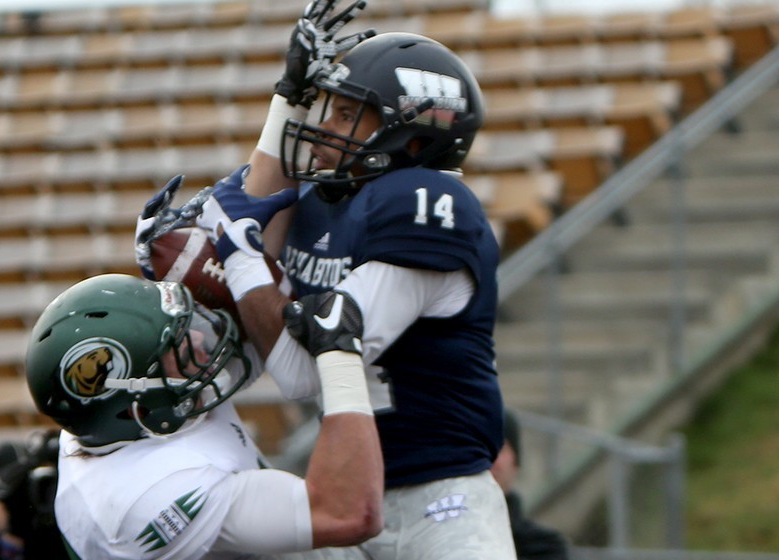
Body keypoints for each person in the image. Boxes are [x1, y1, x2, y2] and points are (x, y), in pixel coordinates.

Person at [138, 2, 516, 557]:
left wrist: (241, 260)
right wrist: (285, 96)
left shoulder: (427, 203)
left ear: (410, 136)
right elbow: (253, 208)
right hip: (348, 497)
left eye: (345, 115)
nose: (320, 130)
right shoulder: (329, 202)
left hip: (443, 502)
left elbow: (303, 373)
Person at [24, 273, 383, 558]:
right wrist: (339, 353)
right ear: (137, 399)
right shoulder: (148, 497)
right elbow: (347, 512)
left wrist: (233, 225)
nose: (199, 339)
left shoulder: (111, 420)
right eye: (176, 349)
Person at [491, 410, 570, 560]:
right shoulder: (443, 539)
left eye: (499, 448)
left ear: (516, 461)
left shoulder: (545, 547)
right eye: (481, 449)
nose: (489, 461)